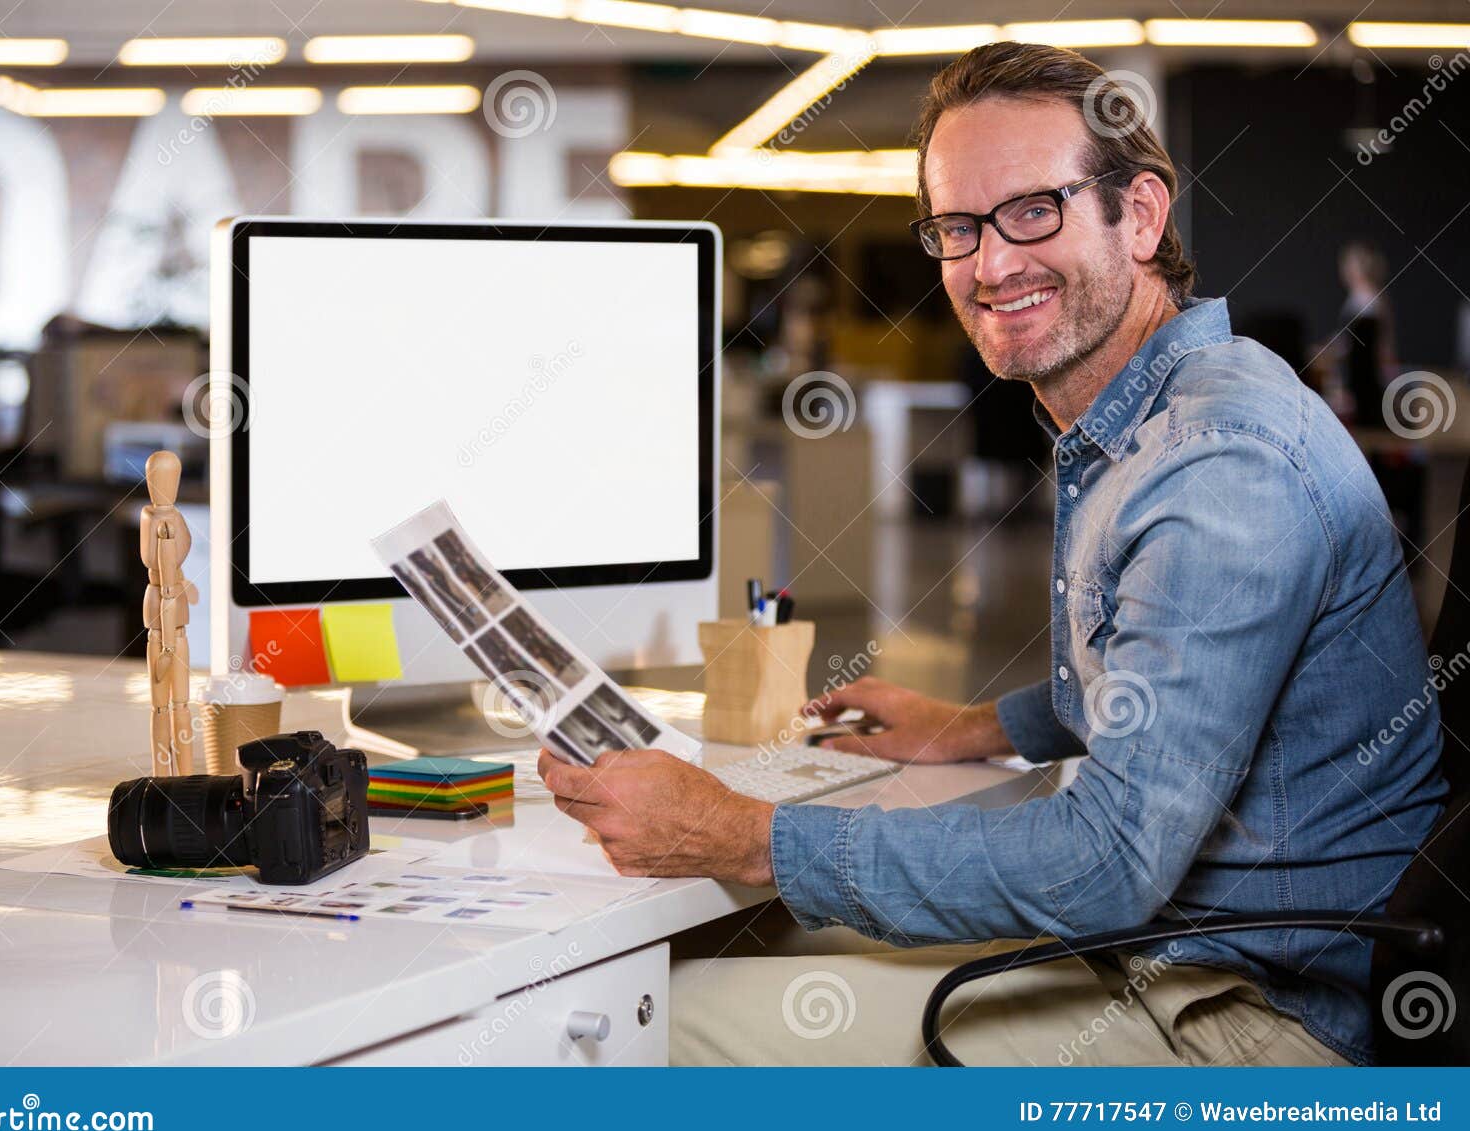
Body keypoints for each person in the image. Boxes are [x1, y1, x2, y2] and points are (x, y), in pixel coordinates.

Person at [536, 41, 1446, 1067]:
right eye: (958, 227)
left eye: (1032, 210)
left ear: (1140, 215)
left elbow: (1108, 859)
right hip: (1163, 954)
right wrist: (969, 727)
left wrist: (742, 832)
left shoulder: (1221, 467)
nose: (991, 263)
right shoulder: (1148, 419)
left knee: (646, 1027)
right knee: (747, 944)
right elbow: (1159, 681)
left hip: (1242, 1018)